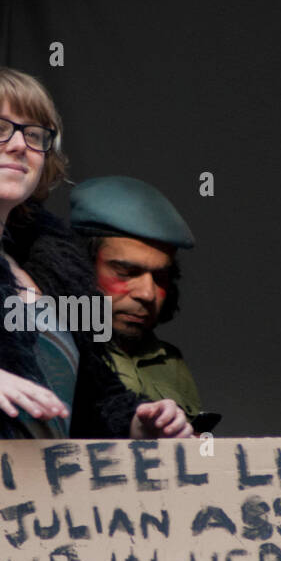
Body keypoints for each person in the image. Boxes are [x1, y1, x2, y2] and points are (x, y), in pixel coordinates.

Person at [0, 67, 193, 561]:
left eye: (35, 135)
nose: (19, 145)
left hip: (54, 522)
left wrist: (137, 420)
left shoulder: (56, 266)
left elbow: (91, 393)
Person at [69, 176, 211, 429]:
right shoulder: (56, 348)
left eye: (160, 277)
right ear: (82, 267)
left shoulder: (170, 364)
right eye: (126, 271)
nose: (147, 293)